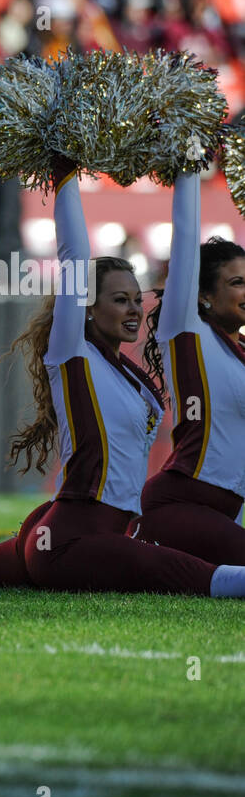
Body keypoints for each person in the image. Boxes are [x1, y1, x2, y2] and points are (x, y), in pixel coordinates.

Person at [8, 157, 245, 596]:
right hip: (87, 532)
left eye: (138, 300)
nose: (136, 309)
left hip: (115, 526)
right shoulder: (74, 353)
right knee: (195, 576)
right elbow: (75, 260)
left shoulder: (131, 376)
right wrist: (65, 179)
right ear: (87, 307)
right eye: (120, 300)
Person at [134, 174, 245, 565]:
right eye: (237, 283)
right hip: (177, 503)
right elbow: (184, 245)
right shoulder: (188, 333)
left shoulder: (240, 349)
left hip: (220, 512)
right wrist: (186, 170)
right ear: (203, 295)